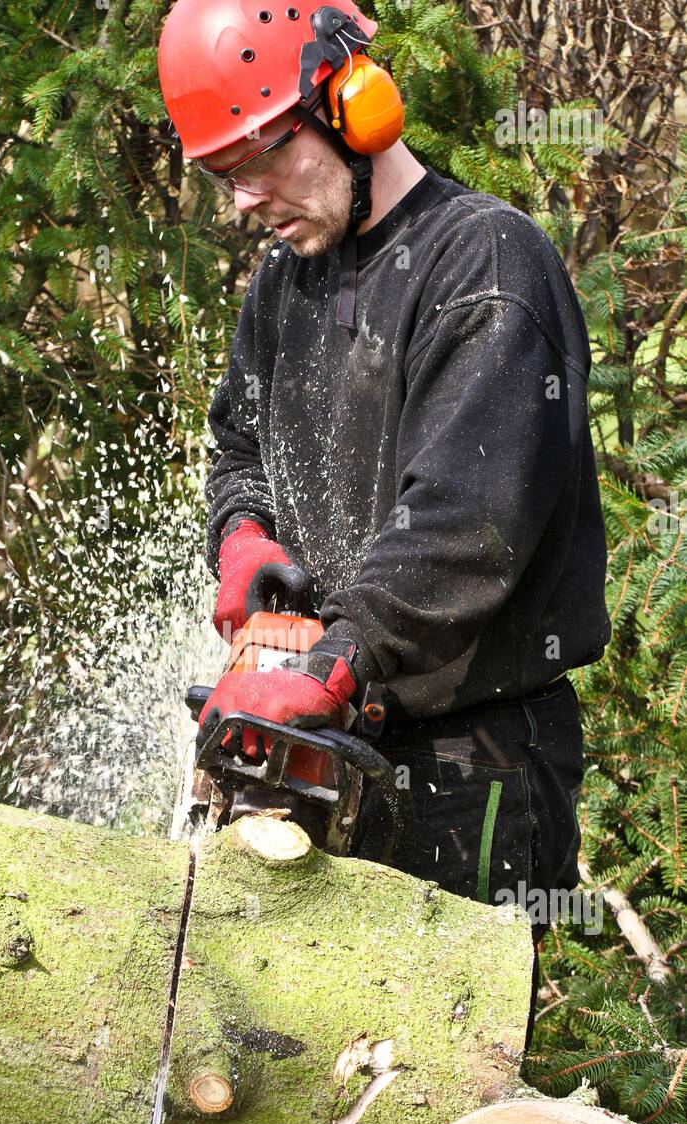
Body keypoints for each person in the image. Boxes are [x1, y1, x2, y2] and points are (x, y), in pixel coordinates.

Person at [158, 2, 611, 1046]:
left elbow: (466, 526)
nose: (242, 200)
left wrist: (341, 652)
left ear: (350, 105)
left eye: (259, 158)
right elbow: (239, 442)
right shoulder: (286, 281)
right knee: (290, 1067)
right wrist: (244, 538)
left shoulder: (486, 269)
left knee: (434, 1080)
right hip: (331, 740)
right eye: (221, 172)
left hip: (473, 766)